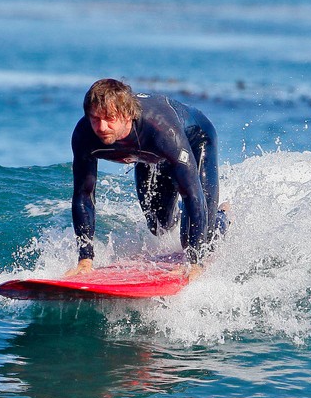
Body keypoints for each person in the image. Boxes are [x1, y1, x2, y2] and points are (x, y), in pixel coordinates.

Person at [68, 78, 226, 279]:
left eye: (109, 118)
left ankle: (221, 216)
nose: (101, 127)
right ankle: (186, 216)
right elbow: (83, 194)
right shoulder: (84, 135)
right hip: (149, 155)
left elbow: (192, 194)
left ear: (127, 115)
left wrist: (194, 263)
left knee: (200, 241)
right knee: (159, 225)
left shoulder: (162, 131)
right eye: (95, 118)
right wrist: (85, 260)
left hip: (195, 140)